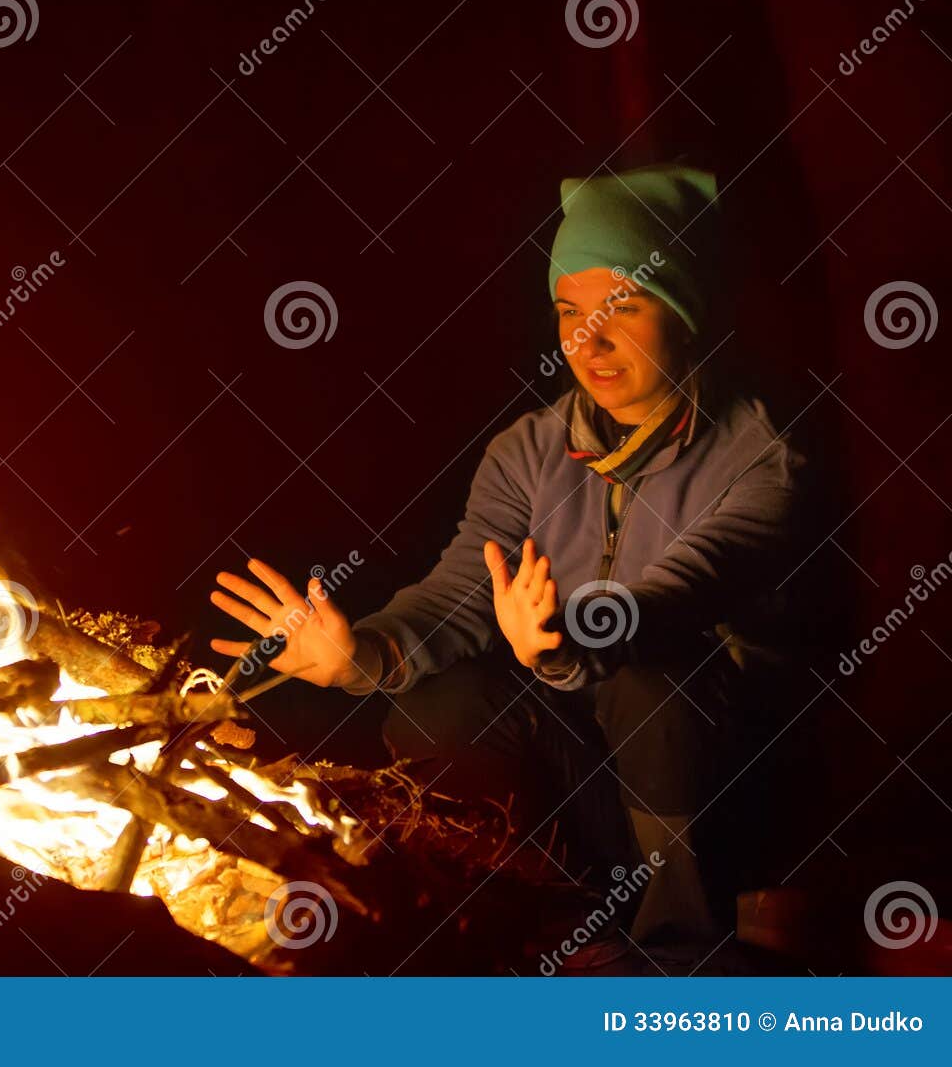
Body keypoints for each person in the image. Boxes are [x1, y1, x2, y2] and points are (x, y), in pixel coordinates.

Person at [209, 165, 805, 952]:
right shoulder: (528, 451)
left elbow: (676, 597)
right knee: (440, 706)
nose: (590, 340)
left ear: (685, 311)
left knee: (652, 680)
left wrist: (566, 640)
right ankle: (524, 916)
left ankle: (678, 953)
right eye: (571, 311)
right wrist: (363, 655)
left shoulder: (760, 458)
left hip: (720, 801)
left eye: (622, 308)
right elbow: (460, 590)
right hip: (602, 798)